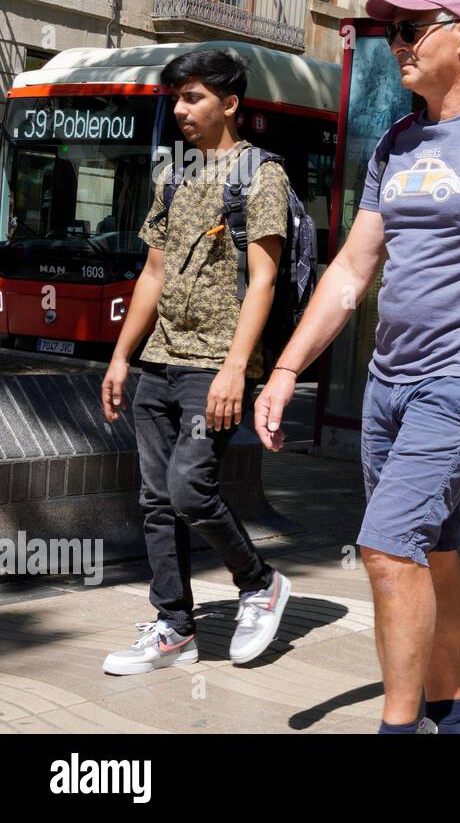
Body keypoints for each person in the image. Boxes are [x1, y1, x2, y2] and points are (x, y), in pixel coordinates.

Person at [253, 0, 460, 734]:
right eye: (390, 32)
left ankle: (402, 729)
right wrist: (286, 368)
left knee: (387, 548)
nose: (396, 44)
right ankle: (447, 709)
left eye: (410, 29)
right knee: (431, 550)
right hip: (387, 383)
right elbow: (351, 271)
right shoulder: (397, 141)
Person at [100, 49, 293, 675]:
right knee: (156, 499)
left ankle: (258, 581)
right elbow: (153, 271)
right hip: (159, 358)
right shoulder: (173, 175)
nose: (180, 109)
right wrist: (121, 356)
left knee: (190, 488)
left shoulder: (262, 177)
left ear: (229, 104)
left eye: (193, 97)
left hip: (215, 363)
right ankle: (174, 627)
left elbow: (263, 280)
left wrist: (239, 366)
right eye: (177, 97)